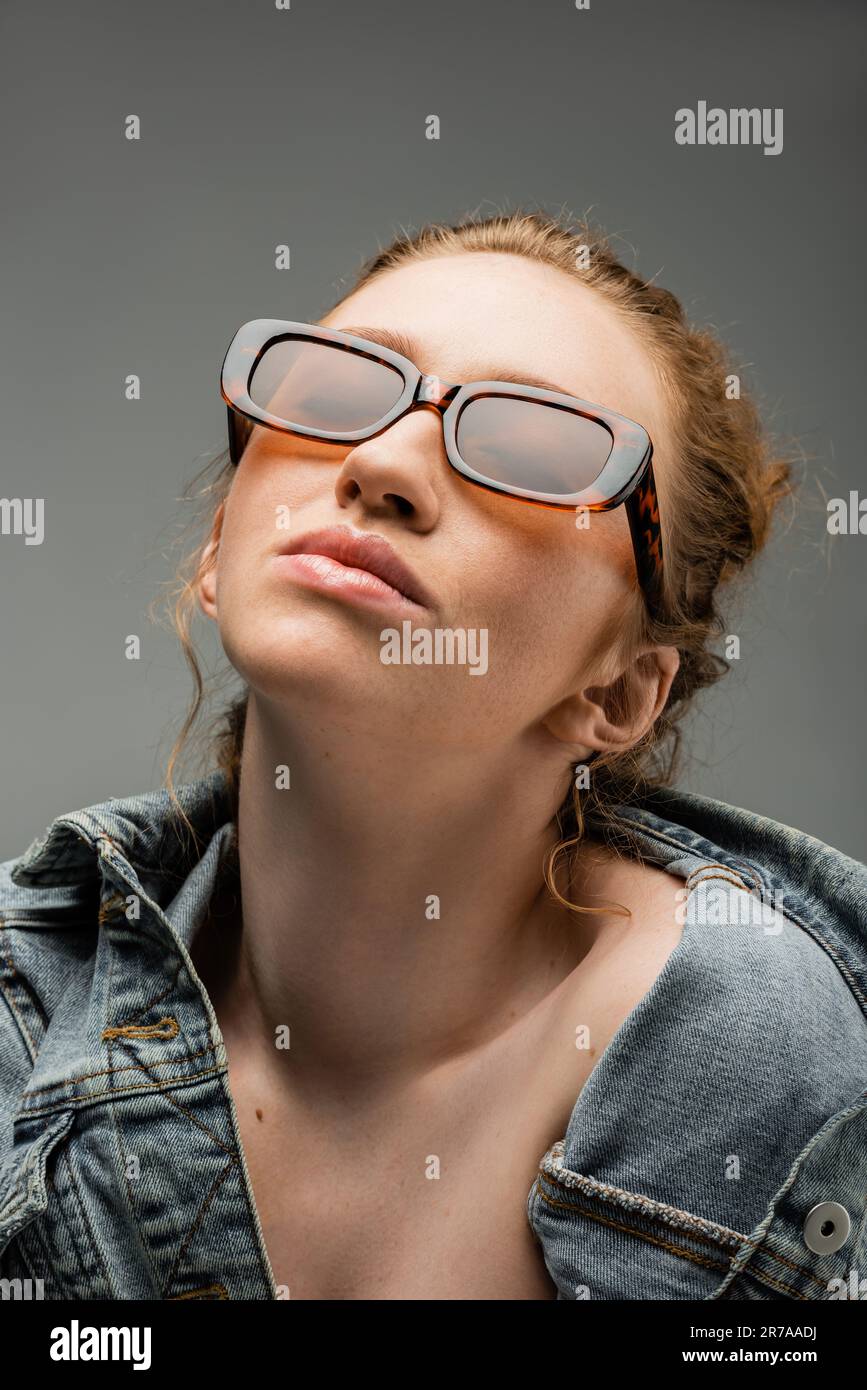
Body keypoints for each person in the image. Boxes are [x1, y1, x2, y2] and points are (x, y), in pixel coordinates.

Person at [1, 209, 865, 1302]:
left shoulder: (773, 1069)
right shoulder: (25, 1019)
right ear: (221, 546)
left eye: (534, 447)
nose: (380, 462)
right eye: (330, 390)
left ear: (620, 686)